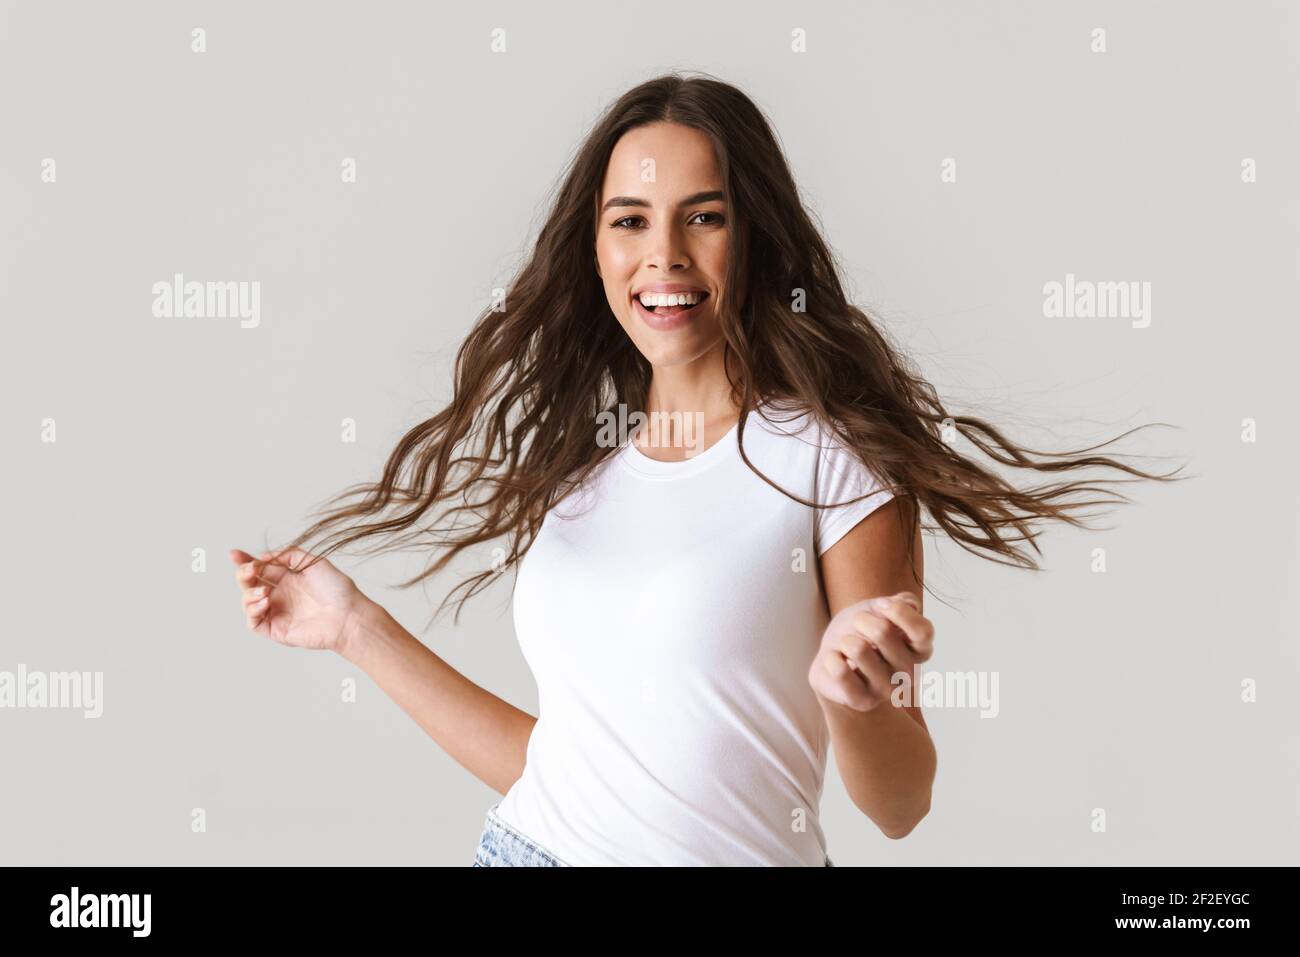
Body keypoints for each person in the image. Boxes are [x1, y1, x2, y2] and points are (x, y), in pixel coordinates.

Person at [229, 72, 1184, 866]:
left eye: (704, 217)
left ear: (753, 235)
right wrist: (357, 628)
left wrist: (851, 700)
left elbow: (902, 802)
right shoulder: (583, 470)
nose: (665, 258)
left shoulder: (832, 465)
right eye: (631, 222)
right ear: (596, 248)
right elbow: (567, 769)